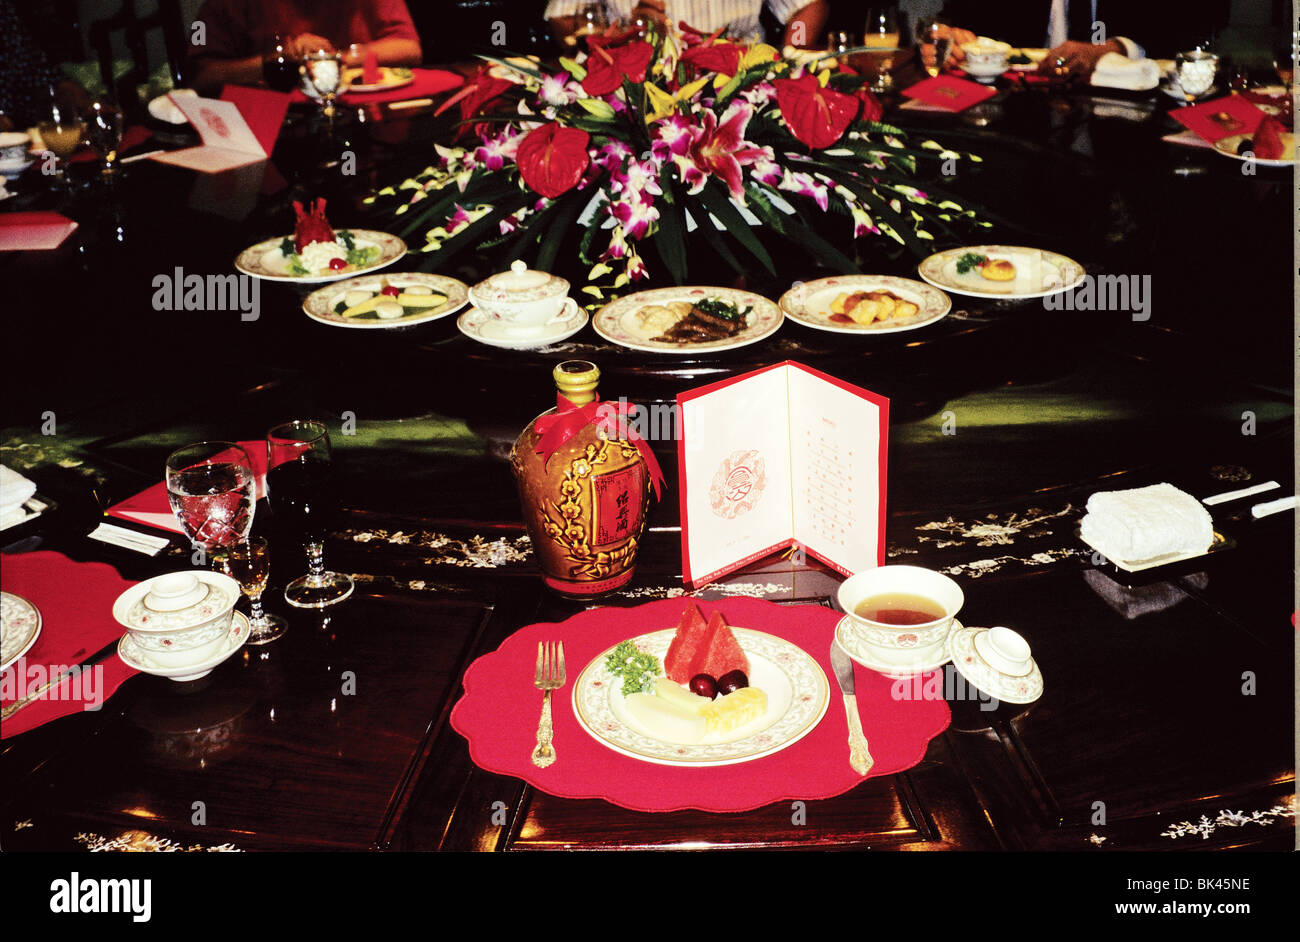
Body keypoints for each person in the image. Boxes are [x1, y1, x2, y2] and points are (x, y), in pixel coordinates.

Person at [931, 0, 1229, 78]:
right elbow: (962, 20)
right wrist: (951, 37)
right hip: (1024, 125)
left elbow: (1180, 25)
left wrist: (1111, 50)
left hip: (1127, 132)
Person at [189, 0, 422, 94]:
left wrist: (329, 58)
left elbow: (408, 47)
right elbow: (200, 76)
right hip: (270, 136)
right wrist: (281, 57)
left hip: (361, 131)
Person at [545, 0, 829, 48]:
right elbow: (564, 15)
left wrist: (791, 58)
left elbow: (807, 6)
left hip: (733, 85)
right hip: (631, 93)